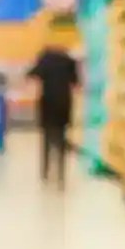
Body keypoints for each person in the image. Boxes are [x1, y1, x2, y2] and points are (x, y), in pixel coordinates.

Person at [27, 37, 81, 188]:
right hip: (64, 102)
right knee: (61, 138)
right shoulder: (69, 61)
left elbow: (31, 74)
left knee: (46, 138)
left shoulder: (45, 59)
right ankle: (61, 175)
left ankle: (45, 172)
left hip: (48, 102)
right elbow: (76, 82)